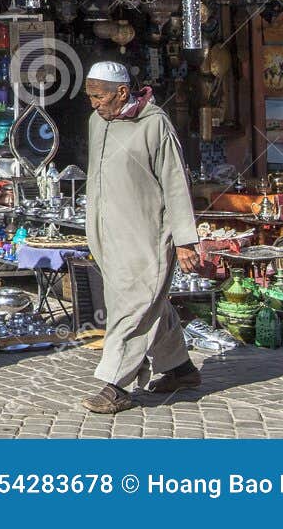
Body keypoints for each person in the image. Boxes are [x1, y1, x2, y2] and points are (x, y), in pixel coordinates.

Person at [80, 60, 202, 415]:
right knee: (147, 302)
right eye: (89, 97)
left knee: (131, 307)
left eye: (99, 97)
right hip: (106, 232)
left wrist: (185, 238)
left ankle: (116, 385)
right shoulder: (95, 122)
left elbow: (176, 183)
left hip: (146, 233)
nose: (93, 104)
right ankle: (180, 369)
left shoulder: (154, 124)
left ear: (121, 92)